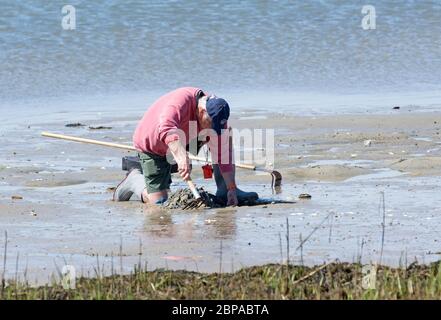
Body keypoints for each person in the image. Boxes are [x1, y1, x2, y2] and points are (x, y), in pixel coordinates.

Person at [113, 87, 258, 206]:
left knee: (225, 137)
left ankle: (224, 190)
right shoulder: (179, 103)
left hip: (186, 138)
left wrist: (231, 187)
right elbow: (165, 129)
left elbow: (223, 151)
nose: (212, 130)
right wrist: (182, 157)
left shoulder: (217, 111)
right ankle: (134, 181)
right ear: (201, 112)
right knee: (159, 202)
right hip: (154, 146)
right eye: (210, 125)